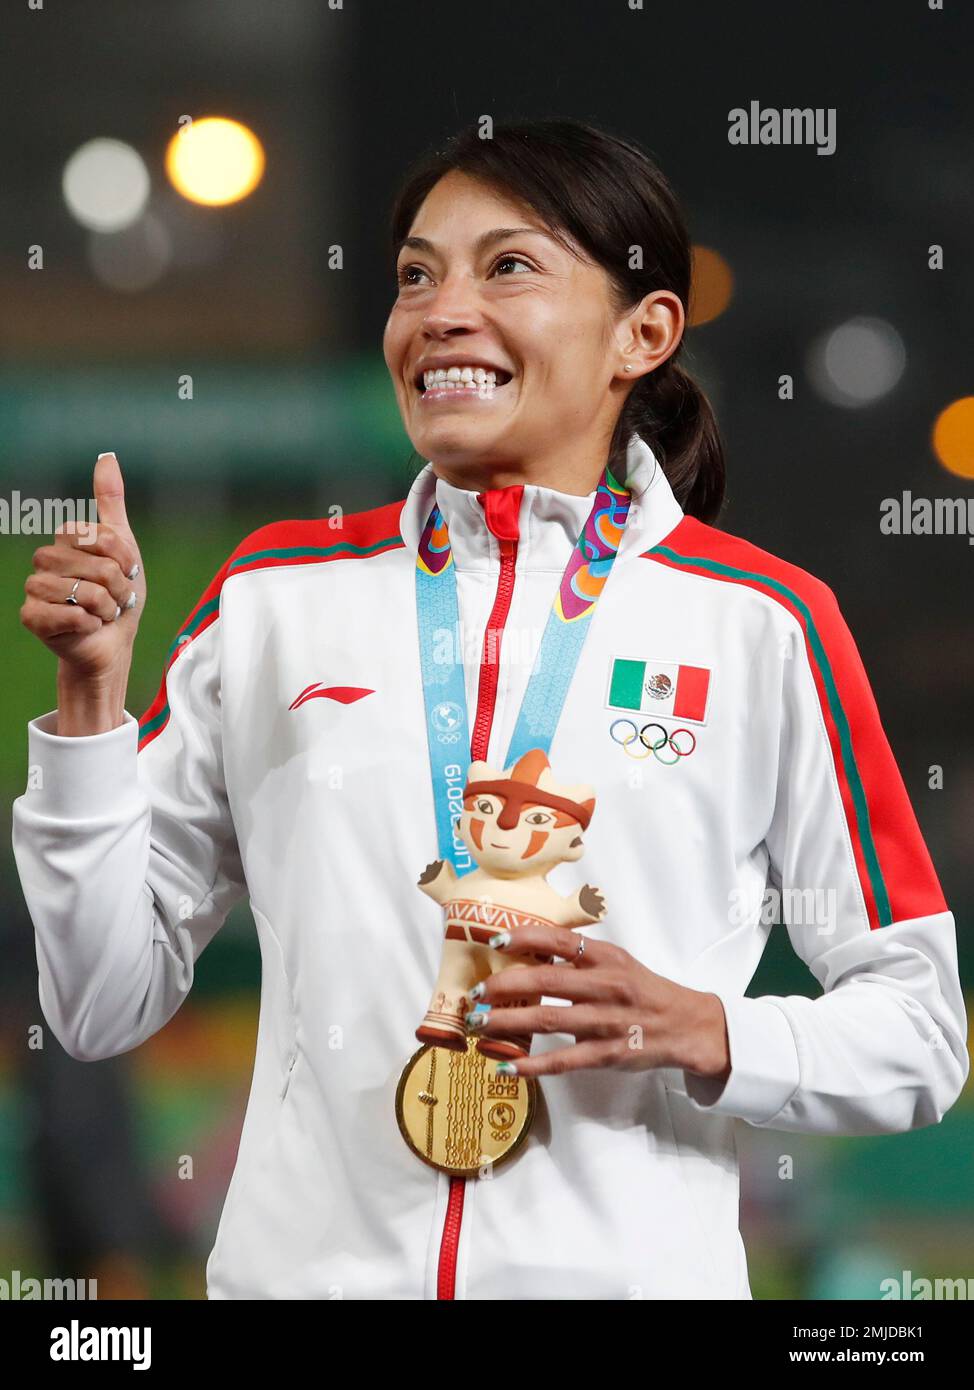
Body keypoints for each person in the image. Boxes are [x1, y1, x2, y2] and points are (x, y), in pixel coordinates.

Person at [12, 119, 968, 1301]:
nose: (440, 310)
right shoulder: (270, 600)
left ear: (643, 332)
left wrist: (706, 1026)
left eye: (506, 266)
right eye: (416, 274)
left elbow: (919, 1032)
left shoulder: (763, 627)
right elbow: (101, 1003)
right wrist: (91, 705)